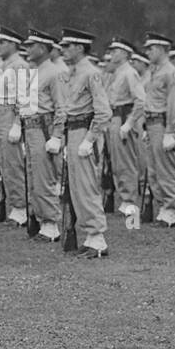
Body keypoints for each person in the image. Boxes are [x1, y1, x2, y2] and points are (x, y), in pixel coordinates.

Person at [59, 27, 112, 257]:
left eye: (67, 46)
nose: (63, 50)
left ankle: (98, 238)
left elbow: (104, 111)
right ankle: (90, 235)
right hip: (73, 132)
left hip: (84, 131)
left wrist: (89, 139)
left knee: (87, 186)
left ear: (80, 48)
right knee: (76, 188)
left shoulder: (91, 73)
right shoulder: (72, 73)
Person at [18, 28, 67, 242]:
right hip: (30, 128)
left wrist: (56, 136)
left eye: (32, 45)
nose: (27, 49)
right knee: (32, 177)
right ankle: (39, 218)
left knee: (44, 177)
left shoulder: (54, 72)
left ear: (44, 48)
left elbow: (61, 107)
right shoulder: (35, 71)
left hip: (43, 129)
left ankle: (51, 223)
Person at [140, 33, 175, 227]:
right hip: (150, 124)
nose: (148, 52)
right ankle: (163, 208)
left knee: (165, 169)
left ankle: (171, 210)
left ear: (161, 48)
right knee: (153, 170)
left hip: (161, 123)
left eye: (151, 48)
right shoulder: (153, 71)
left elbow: (173, 103)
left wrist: (170, 131)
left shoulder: (169, 72)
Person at [103, 37, 146, 228]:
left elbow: (141, 100)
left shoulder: (129, 73)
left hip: (123, 119)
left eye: (116, 50)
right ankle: (127, 210)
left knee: (127, 167)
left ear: (125, 53)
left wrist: (129, 123)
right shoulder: (117, 73)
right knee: (119, 167)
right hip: (114, 118)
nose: (112, 53)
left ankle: (132, 218)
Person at [0, 26, 30, 227]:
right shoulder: (6, 65)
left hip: (10, 115)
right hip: (1, 114)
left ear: (13, 44)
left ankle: (21, 208)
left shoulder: (19, 66)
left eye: (2, 42)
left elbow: (23, 97)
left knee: (13, 163)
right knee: (4, 162)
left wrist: (17, 124)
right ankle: (15, 205)